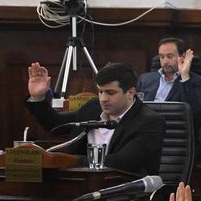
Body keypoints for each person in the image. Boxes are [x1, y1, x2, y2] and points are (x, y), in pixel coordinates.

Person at [24, 61, 165, 176]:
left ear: (130, 93)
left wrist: (66, 161)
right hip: (82, 185)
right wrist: (38, 97)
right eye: (100, 91)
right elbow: (55, 125)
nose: (103, 99)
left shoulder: (149, 121)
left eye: (110, 92)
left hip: (126, 192)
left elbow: (123, 163)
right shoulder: (93, 107)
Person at [138, 36, 201, 133]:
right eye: (161, 56)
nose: (165, 61)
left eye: (170, 56)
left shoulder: (196, 81)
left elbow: (194, 113)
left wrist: (184, 76)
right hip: (146, 130)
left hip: (174, 133)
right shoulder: (145, 79)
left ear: (183, 57)